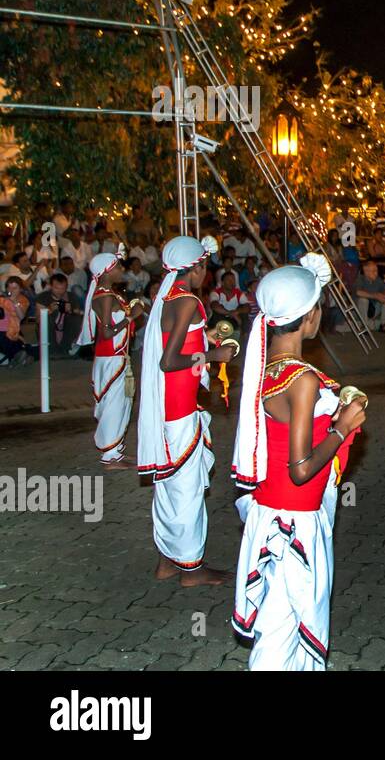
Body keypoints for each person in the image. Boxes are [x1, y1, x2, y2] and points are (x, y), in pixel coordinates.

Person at [230, 255, 367, 669]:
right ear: (311, 317)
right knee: (286, 623)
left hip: (271, 512)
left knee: (279, 619)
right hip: (295, 518)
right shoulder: (303, 379)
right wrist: (343, 427)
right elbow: (302, 467)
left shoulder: (267, 367)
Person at [137, 235, 235, 586]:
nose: (205, 275)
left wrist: (204, 339)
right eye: (204, 268)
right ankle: (191, 569)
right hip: (178, 408)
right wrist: (213, 356)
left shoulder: (170, 297)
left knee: (168, 483)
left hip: (170, 406)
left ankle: (167, 560)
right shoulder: (188, 302)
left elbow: (176, 341)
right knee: (187, 488)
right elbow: (169, 360)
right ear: (195, 269)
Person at [75, 249, 142, 468]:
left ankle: (116, 452)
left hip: (117, 357)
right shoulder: (104, 297)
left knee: (121, 404)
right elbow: (106, 333)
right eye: (118, 267)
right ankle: (109, 455)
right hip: (110, 358)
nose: (122, 270)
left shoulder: (108, 294)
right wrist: (132, 316)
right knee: (114, 406)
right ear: (108, 271)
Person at [35, 272, 84, 356]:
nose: (60, 291)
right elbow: (38, 320)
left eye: (63, 288)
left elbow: (80, 313)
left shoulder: (71, 296)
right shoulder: (43, 297)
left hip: (65, 326)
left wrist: (71, 310)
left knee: (75, 319)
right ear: (50, 286)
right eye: (56, 288)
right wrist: (49, 310)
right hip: (50, 325)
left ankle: (66, 348)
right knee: (47, 319)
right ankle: (51, 350)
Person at [0, 276, 36, 365]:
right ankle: (20, 356)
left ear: (20, 289)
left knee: (7, 337)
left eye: (15, 288)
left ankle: (17, 356)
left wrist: (15, 302)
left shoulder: (23, 300)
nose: (11, 290)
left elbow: (22, 316)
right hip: (2, 327)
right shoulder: (1, 299)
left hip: (14, 327)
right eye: (9, 287)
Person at [353, 260, 385, 332]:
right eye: (374, 271)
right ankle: (364, 326)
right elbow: (358, 292)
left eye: (376, 271)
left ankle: (384, 325)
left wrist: (383, 295)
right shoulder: (360, 279)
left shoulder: (377, 279)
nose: (376, 273)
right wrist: (376, 296)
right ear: (366, 271)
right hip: (359, 311)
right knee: (363, 300)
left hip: (373, 309)